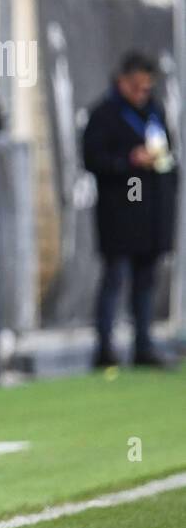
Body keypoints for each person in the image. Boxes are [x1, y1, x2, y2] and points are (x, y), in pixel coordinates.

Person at [82, 52, 179, 368]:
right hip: (119, 213)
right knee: (115, 278)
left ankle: (143, 346)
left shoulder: (155, 112)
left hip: (151, 213)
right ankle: (105, 350)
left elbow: (169, 155)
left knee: (146, 281)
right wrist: (130, 161)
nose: (143, 94)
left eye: (147, 88)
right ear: (122, 81)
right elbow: (93, 160)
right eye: (137, 87)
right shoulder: (104, 115)